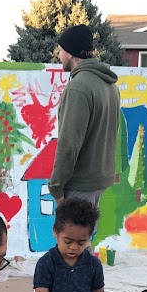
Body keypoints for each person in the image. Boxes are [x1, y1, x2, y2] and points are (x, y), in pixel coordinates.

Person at [48, 24, 120, 208]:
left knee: (73, 229)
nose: (59, 55)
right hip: (98, 180)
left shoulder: (78, 87)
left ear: (71, 53)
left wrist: (56, 187)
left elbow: (69, 143)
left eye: (61, 50)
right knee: (87, 228)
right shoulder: (110, 86)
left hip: (79, 184)